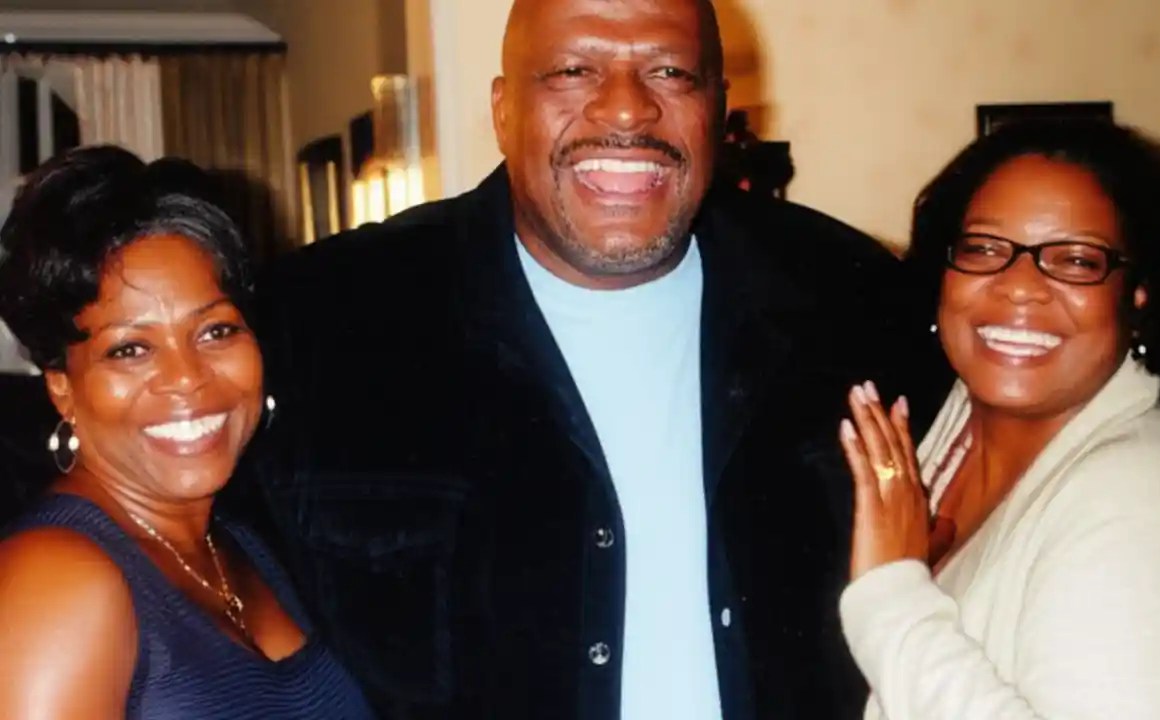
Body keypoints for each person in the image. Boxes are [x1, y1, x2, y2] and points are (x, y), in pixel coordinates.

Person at [249, 0, 948, 717]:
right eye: (573, 70)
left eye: (671, 72)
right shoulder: (327, 325)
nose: (625, 110)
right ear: (503, 109)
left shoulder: (853, 304)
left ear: (719, 107)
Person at [837, 120, 1160, 718]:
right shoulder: (946, 429)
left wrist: (891, 595)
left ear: (1138, 295)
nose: (1019, 287)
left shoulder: (1147, 503)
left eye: (1077, 260)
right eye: (983, 248)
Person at [0, 146, 374, 719]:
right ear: (62, 389)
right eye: (130, 349)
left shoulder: (236, 545)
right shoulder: (59, 581)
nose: (187, 378)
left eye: (216, 331)